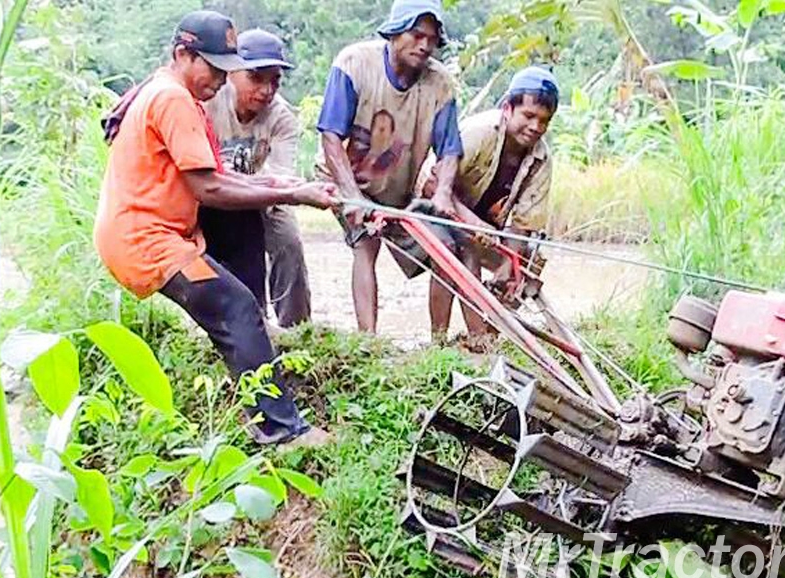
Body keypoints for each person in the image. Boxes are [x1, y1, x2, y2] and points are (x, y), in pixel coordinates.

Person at [94, 10, 334, 446]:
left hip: (155, 233)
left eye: (227, 70)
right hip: (149, 242)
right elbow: (209, 188)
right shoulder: (173, 99)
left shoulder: (167, 90)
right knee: (237, 309)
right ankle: (282, 430)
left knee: (240, 278)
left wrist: (282, 183)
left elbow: (219, 177)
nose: (222, 80)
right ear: (183, 54)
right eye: (214, 68)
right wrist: (293, 195)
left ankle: (252, 362)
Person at [316, 0, 463, 335]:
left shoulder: (440, 85)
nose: (424, 46)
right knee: (367, 242)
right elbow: (331, 137)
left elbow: (450, 150)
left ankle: (438, 344)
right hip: (346, 179)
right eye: (416, 35)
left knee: (446, 249)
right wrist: (352, 197)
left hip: (399, 190)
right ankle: (369, 341)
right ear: (395, 33)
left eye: (432, 39)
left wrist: (442, 194)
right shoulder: (354, 63)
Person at [420, 67, 559, 344]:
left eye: (544, 121)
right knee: (461, 248)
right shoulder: (479, 132)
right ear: (508, 108)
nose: (535, 127)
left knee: (528, 263)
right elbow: (432, 184)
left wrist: (512, 261)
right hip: (438, 209)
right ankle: (440, 342)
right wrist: (471, 222)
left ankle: (489, 337)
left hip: (485, 225)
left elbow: (525, 222)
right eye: (528, 116)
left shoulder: (541, 158)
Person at [203, 29, 312, 328]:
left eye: (274, 80)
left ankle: (297, 328)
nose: (266, 90)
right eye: (256, 77)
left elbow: (281, 175)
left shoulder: (282, 118)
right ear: (232, 72)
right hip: (211, 195)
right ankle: (223, 324)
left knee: (288, 241)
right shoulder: (208, 105)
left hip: (262, 197)